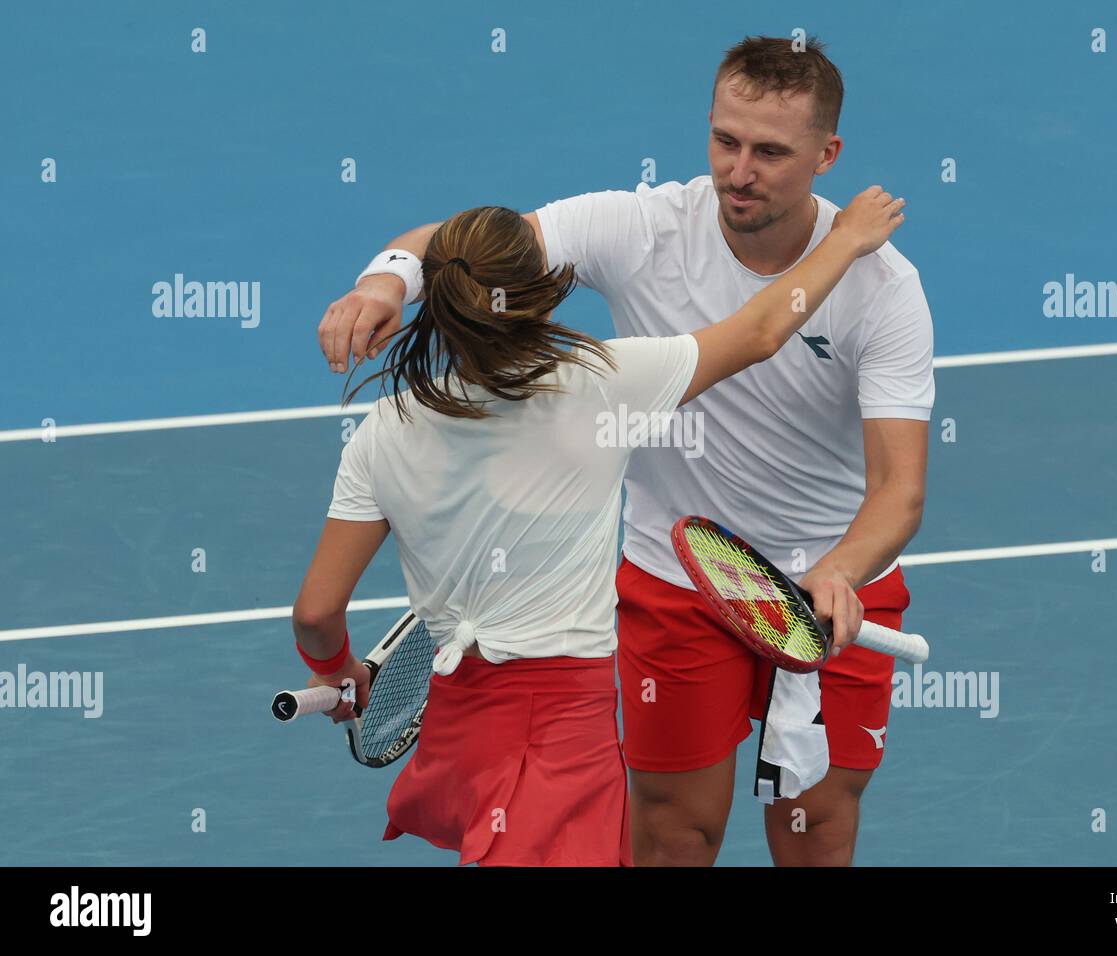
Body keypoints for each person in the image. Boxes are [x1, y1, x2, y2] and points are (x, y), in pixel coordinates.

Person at [320, 36, 933, 867]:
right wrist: (386, 279)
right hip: (677, 578)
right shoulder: (642, 228)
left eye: (770, 151)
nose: (738, 170)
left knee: (814, 826)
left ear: (828, 154)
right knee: (676, 832)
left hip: (828, 593)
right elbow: (471, 245)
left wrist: (841, 568)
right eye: (724, 141)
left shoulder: (886, 289)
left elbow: (899, 491)